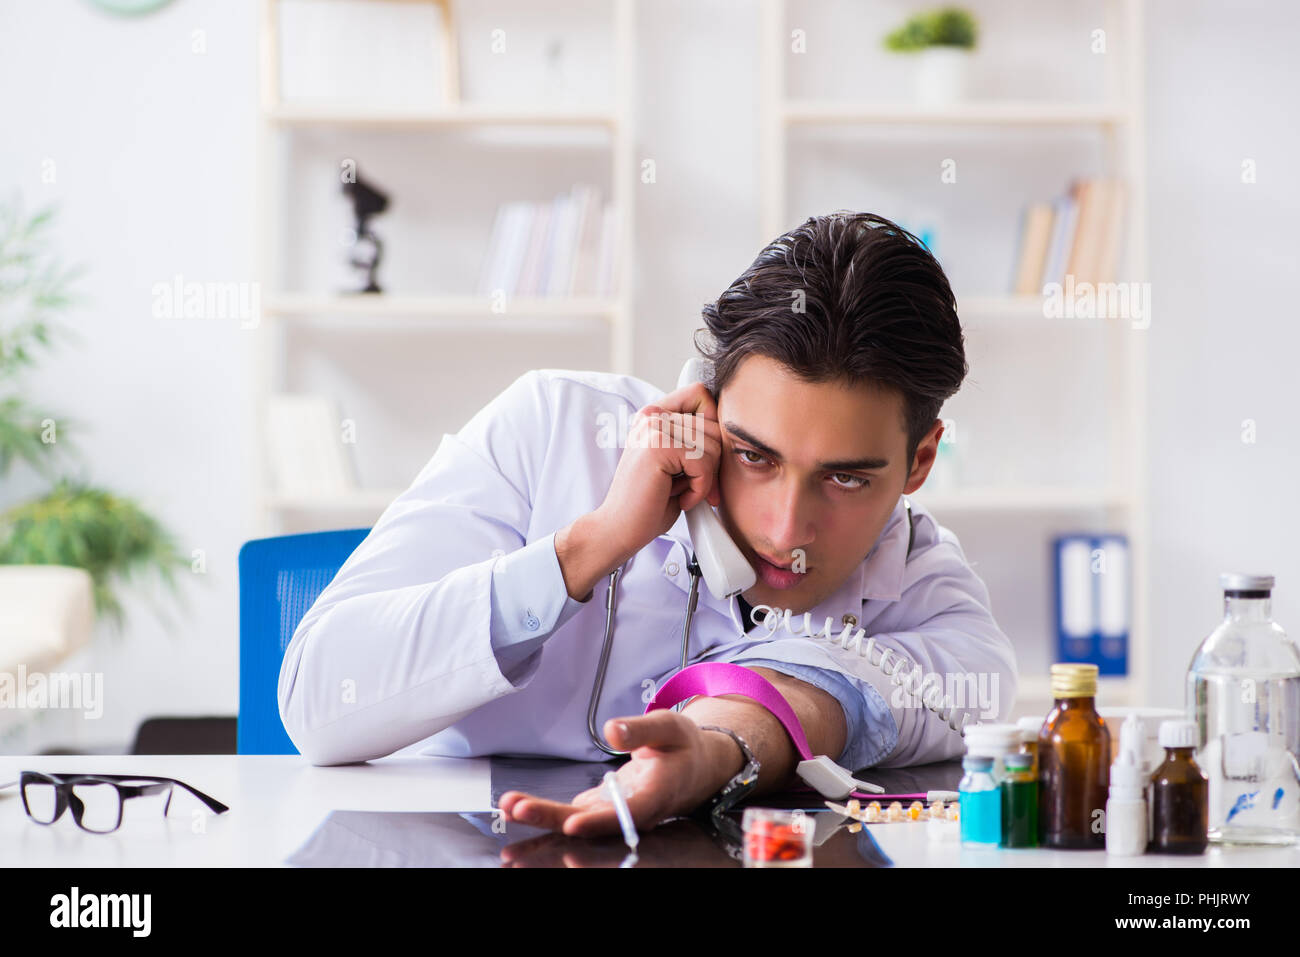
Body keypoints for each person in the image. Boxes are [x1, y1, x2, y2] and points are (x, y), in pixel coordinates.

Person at [278, 211, 1017, 838]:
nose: (787, 524)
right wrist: (592, 543)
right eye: (755, 455)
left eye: (846, 476)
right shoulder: (549, 429)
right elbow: (317, 702)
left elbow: (963, 694)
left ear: (919, 461)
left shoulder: (921, 575)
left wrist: (721, 743)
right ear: (703, 406)